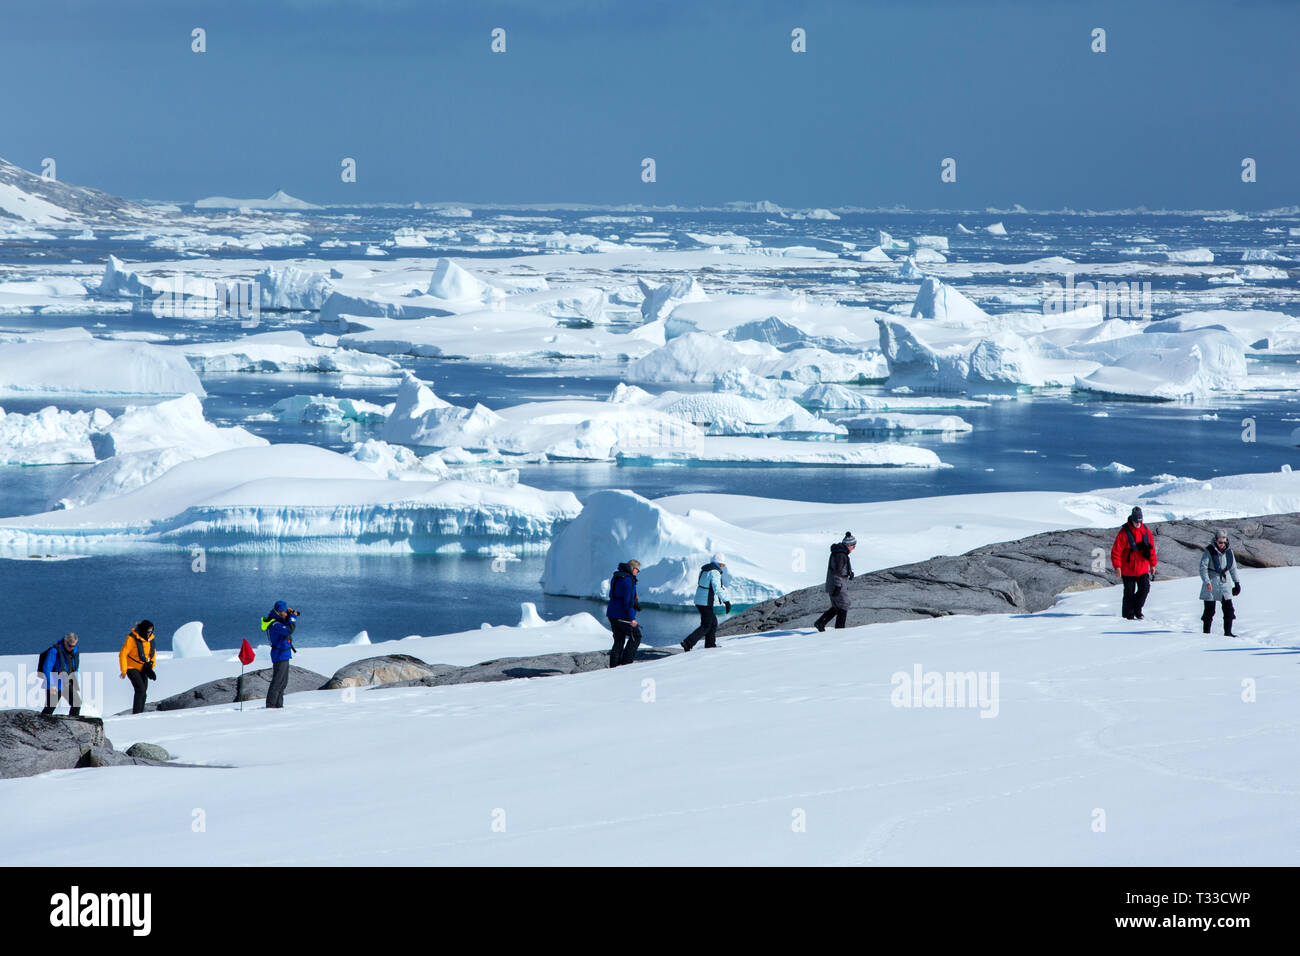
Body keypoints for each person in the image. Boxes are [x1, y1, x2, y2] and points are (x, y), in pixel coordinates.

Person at [1111, 507, 1157, 620]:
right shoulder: (1124, 532)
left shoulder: (1146, 531)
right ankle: (1128, 615)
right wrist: (1117, 567)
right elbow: (1116, 551)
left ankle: (1137, 610)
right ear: (1132, 519)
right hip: (1128, 569)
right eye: (1136, 521)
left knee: (1145, 589)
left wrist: (1152, 564)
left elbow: (1151, 550)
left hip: (1142, 568)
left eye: (1140, 521)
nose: (1137, 523)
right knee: (1129, 593)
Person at [682, 554, 730, 651]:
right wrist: (726, 601)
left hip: (701, 600)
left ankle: (709, 644)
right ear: (719, 563)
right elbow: (717, 588)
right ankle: (688, 642)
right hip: (705, 602)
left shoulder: (705, 569)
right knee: (707, 624)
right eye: (723, 565)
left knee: (712, 623)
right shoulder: (714, 572)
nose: (723, 567)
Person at [1199, 529, 1241, 636]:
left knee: (1229, 609)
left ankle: (1228, 633)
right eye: (1220, 542)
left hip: (1225, 582)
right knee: (1209, 610)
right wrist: (1207, 582)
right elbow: (1203, 568)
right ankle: (1206, 633)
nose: (1222, 544)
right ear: (1216, 540)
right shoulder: (1209, 551)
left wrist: (1237, 583)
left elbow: (1233, 568)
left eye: (1224, 542)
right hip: (1212, 582)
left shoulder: (1229, 552)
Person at [814, 534, 856, 631]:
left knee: (838, 606)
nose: (853, 548)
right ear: (849, 545)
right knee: (844, 605)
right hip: (838, 584)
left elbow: (839, 569)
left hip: (835, 583)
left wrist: (849, 573)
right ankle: (839, 631)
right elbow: (837, 572)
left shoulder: (839, 553)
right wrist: (837, 586)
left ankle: (821, 622)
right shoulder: (841, 555)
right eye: (853, 546)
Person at [261, 601, 298, 708]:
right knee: (277, 681)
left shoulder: (279, 620)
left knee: (283, 682)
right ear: (279, 612)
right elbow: (288, 630)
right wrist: (292, 618)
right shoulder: (274, 624)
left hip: (284, 654)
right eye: (285, 612)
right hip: (279, 654)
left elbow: (286, 625)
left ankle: (278, 705)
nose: (286, 614)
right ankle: (271, 705)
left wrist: (289, 616)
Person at [605, 559, 642, 667]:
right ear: (632, 568)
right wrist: (632, 619)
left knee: (619, 640)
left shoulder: (617, 576)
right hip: (622, 615)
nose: (637, 573)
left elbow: (615, 595)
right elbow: (628, 601)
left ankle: (614, 666)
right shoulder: (628, 580)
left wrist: (635, 603)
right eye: (637, 570)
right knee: (636, 635)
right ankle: (626, 664)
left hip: (612, 614)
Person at [118, 620, 157, 715]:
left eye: (151, 631)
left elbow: (153, 653)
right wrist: (123, 670)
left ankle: (140, 713)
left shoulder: (150, 638)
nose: (150, 633)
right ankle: (136, 714)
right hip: (131, 667)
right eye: (148, 631)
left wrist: (151, 667)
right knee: (140, 689)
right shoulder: (132, 638)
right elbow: (123, 654)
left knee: (144, 692)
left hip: (143, 668)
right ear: (143, 630)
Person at [40, 633, 81, 717]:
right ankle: (41, 725)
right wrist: (51, 685)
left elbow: (74, 668)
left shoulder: (75, 651)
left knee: (77, 703)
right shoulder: (54, 651)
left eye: (74, 645)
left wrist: (74, 682)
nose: (72, 648)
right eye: (70, 645)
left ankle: (72, 723)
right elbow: (47, 668)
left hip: (67, 682)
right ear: (65, 642)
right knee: (50, 708)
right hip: (55, 683)